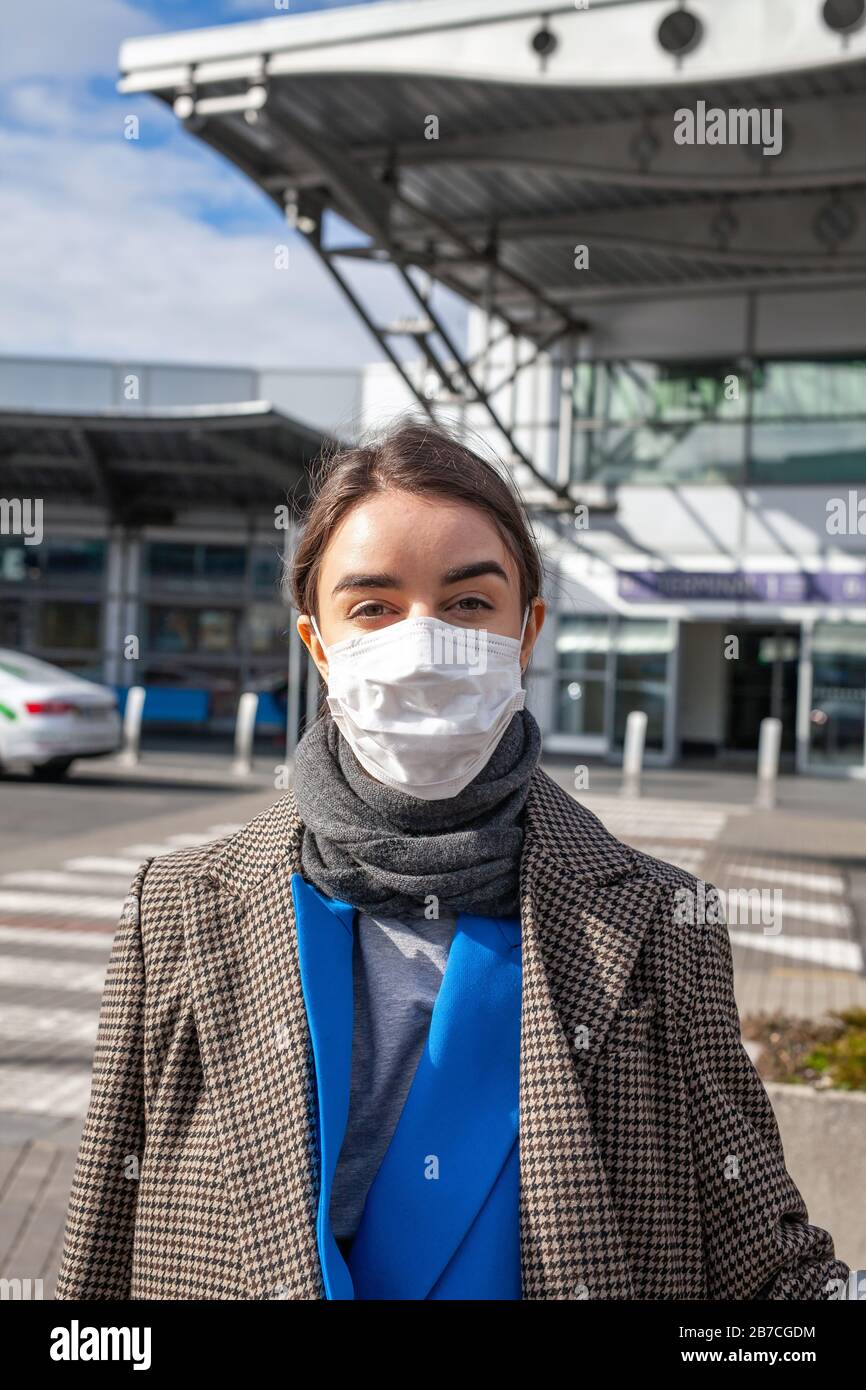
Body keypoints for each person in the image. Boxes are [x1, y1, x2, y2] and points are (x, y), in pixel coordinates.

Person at [54, 418, 849, 1301]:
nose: (422, 643)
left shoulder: (661, 928)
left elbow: (765, 1272)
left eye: (469, 603)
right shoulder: (179, 909)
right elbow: (101, 1253)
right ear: (316, 642)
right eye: (373, 608)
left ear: (527, 630)